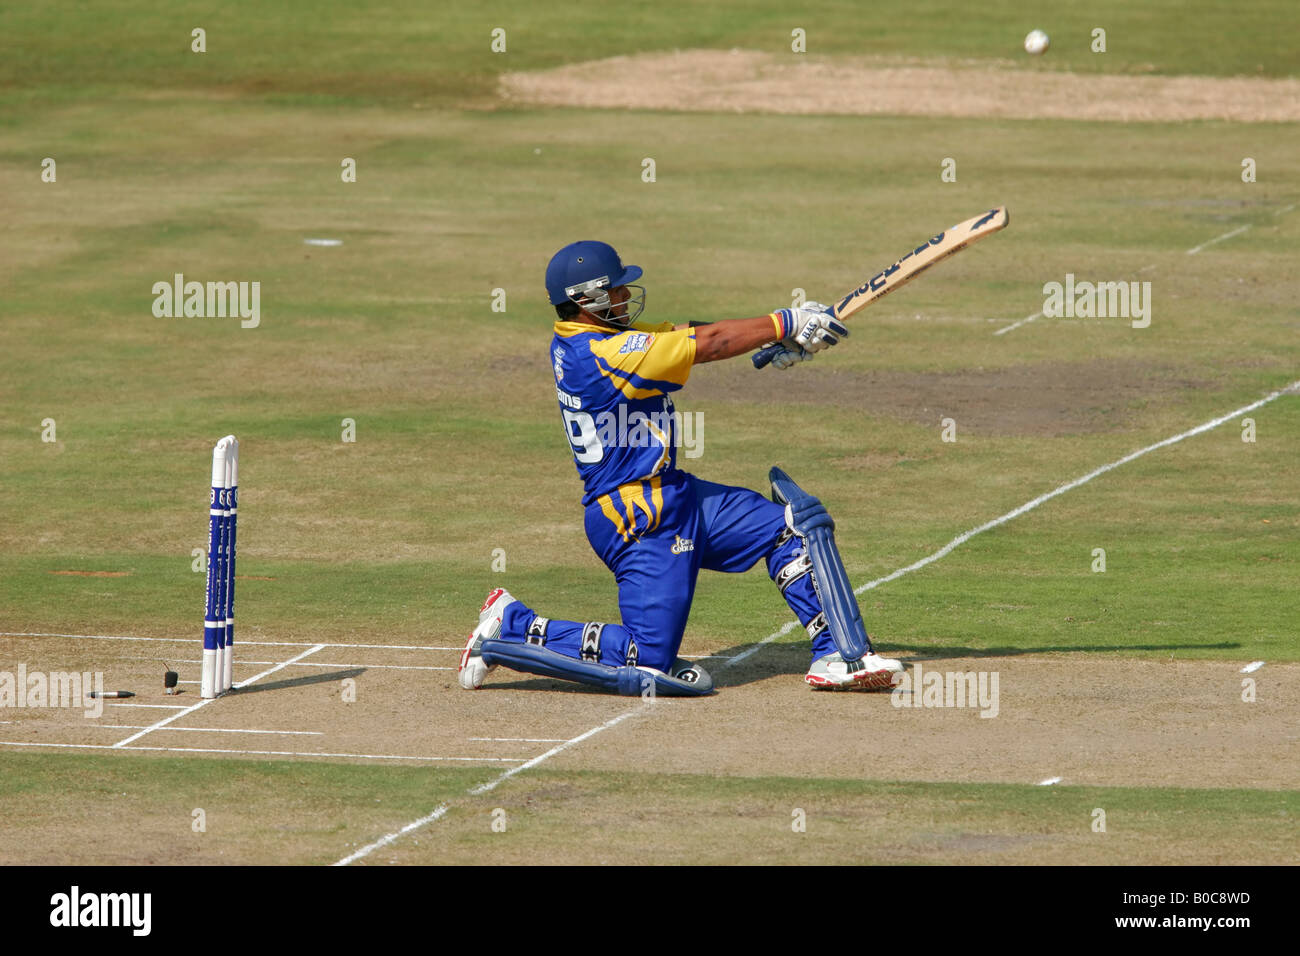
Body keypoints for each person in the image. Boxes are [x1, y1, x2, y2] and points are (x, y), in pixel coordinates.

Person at [457, 240, 904, 696]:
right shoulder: (605, 354)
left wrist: (779, 334)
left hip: (674, 493)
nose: (625, 296)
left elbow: (687, 331)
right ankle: (510, 628)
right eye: (615, 291)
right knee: (648, 660)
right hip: (637, 517)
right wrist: (787, 321)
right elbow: (708, 345)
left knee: (792, 525)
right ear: (585, 298)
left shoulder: (599, 337)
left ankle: (838, 655)